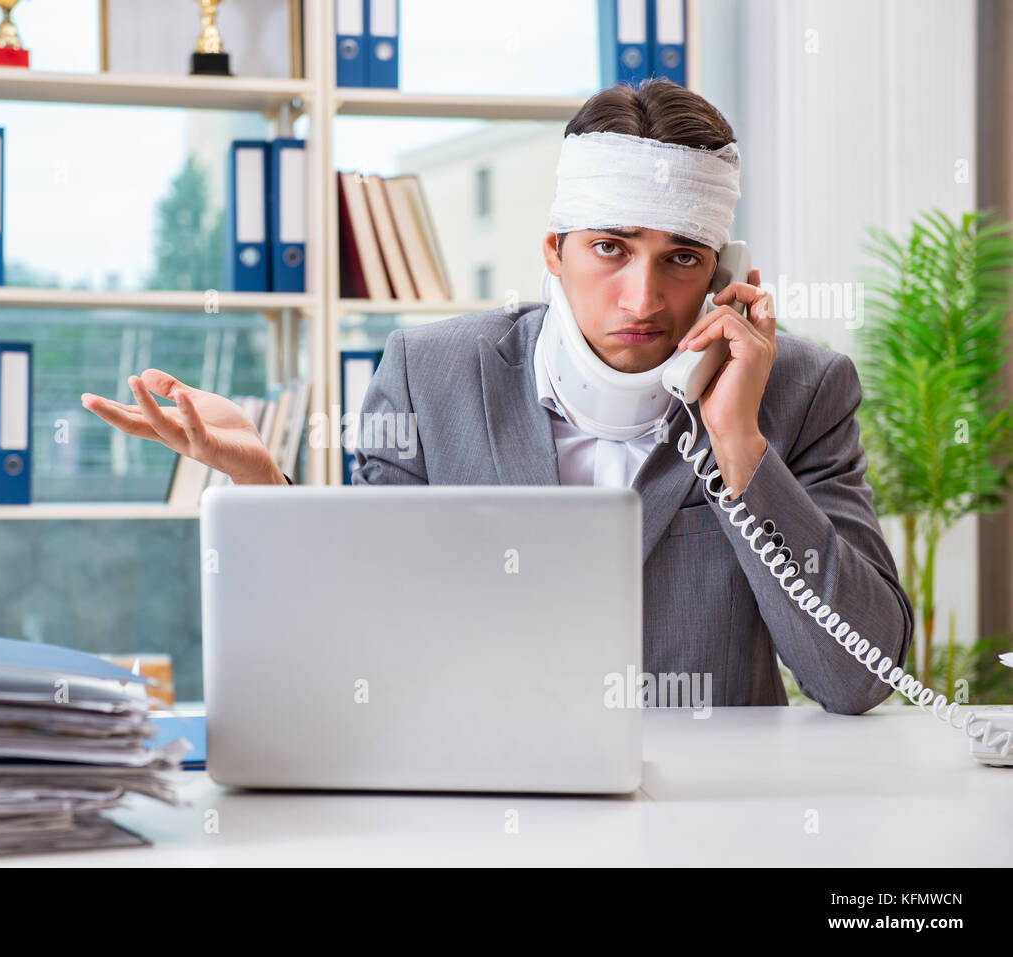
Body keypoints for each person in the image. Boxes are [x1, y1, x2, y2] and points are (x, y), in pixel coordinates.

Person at [81, 78, 914, 715]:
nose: (642, 297)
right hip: (479, 801)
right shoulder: (430, 371)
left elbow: (857, 677)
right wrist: (263, 478)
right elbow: (358, 635)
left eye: (682, 258)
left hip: (711, 820)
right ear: (553, 251)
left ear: (725, 270)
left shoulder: (801, 389)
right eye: (610, 249)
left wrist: (739, 444)